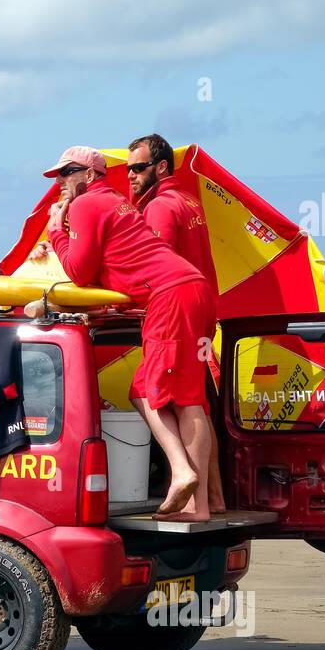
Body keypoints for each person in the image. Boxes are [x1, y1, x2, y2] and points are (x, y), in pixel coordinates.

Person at [27, 146, 218, 521]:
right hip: (193, 291)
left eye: (67, 173)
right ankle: (202, 507)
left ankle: (181, 472)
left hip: (170, 297)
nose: (60, 183)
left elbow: (80, 272)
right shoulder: (118, 202)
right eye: (58, 176)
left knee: (145, 391)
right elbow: (116, 259)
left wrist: (56, 230)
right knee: (189, 398)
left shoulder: (87, 205)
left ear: (90, 174)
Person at [126, 133, 226, 513]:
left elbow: (155, 265)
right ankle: (212, 498)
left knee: (160, 395)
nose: (131, 176)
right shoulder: (188, 201)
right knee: (194, 399)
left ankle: (193, 501)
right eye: (129, 169)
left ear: (162, 166)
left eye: (139, 168)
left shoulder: (161, 209)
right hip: (201, 308)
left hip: (175, 308)